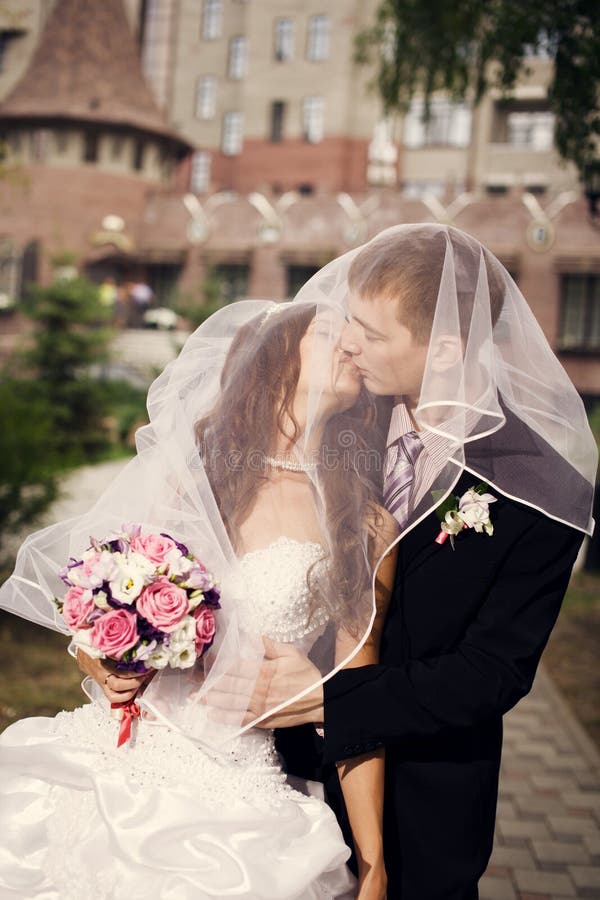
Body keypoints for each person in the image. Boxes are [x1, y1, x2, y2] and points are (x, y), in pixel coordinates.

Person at [223, 225, 597, 899]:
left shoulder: (545, 488)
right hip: (280, 776)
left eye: (371, 332)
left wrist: (331, 697)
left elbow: (493, 672)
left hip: (427, 796)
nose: (348, 343)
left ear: (447, 349)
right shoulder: (339, 415)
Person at [0, 300, 397, 899]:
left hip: (242, 797)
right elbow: (93, 625)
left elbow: (356, 702)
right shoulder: (191, 480)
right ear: (274, 361)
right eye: (329, 333)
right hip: (123, 761)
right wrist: (106, 667)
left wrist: (373, 863)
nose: (350, 345)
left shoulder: (364, 524)